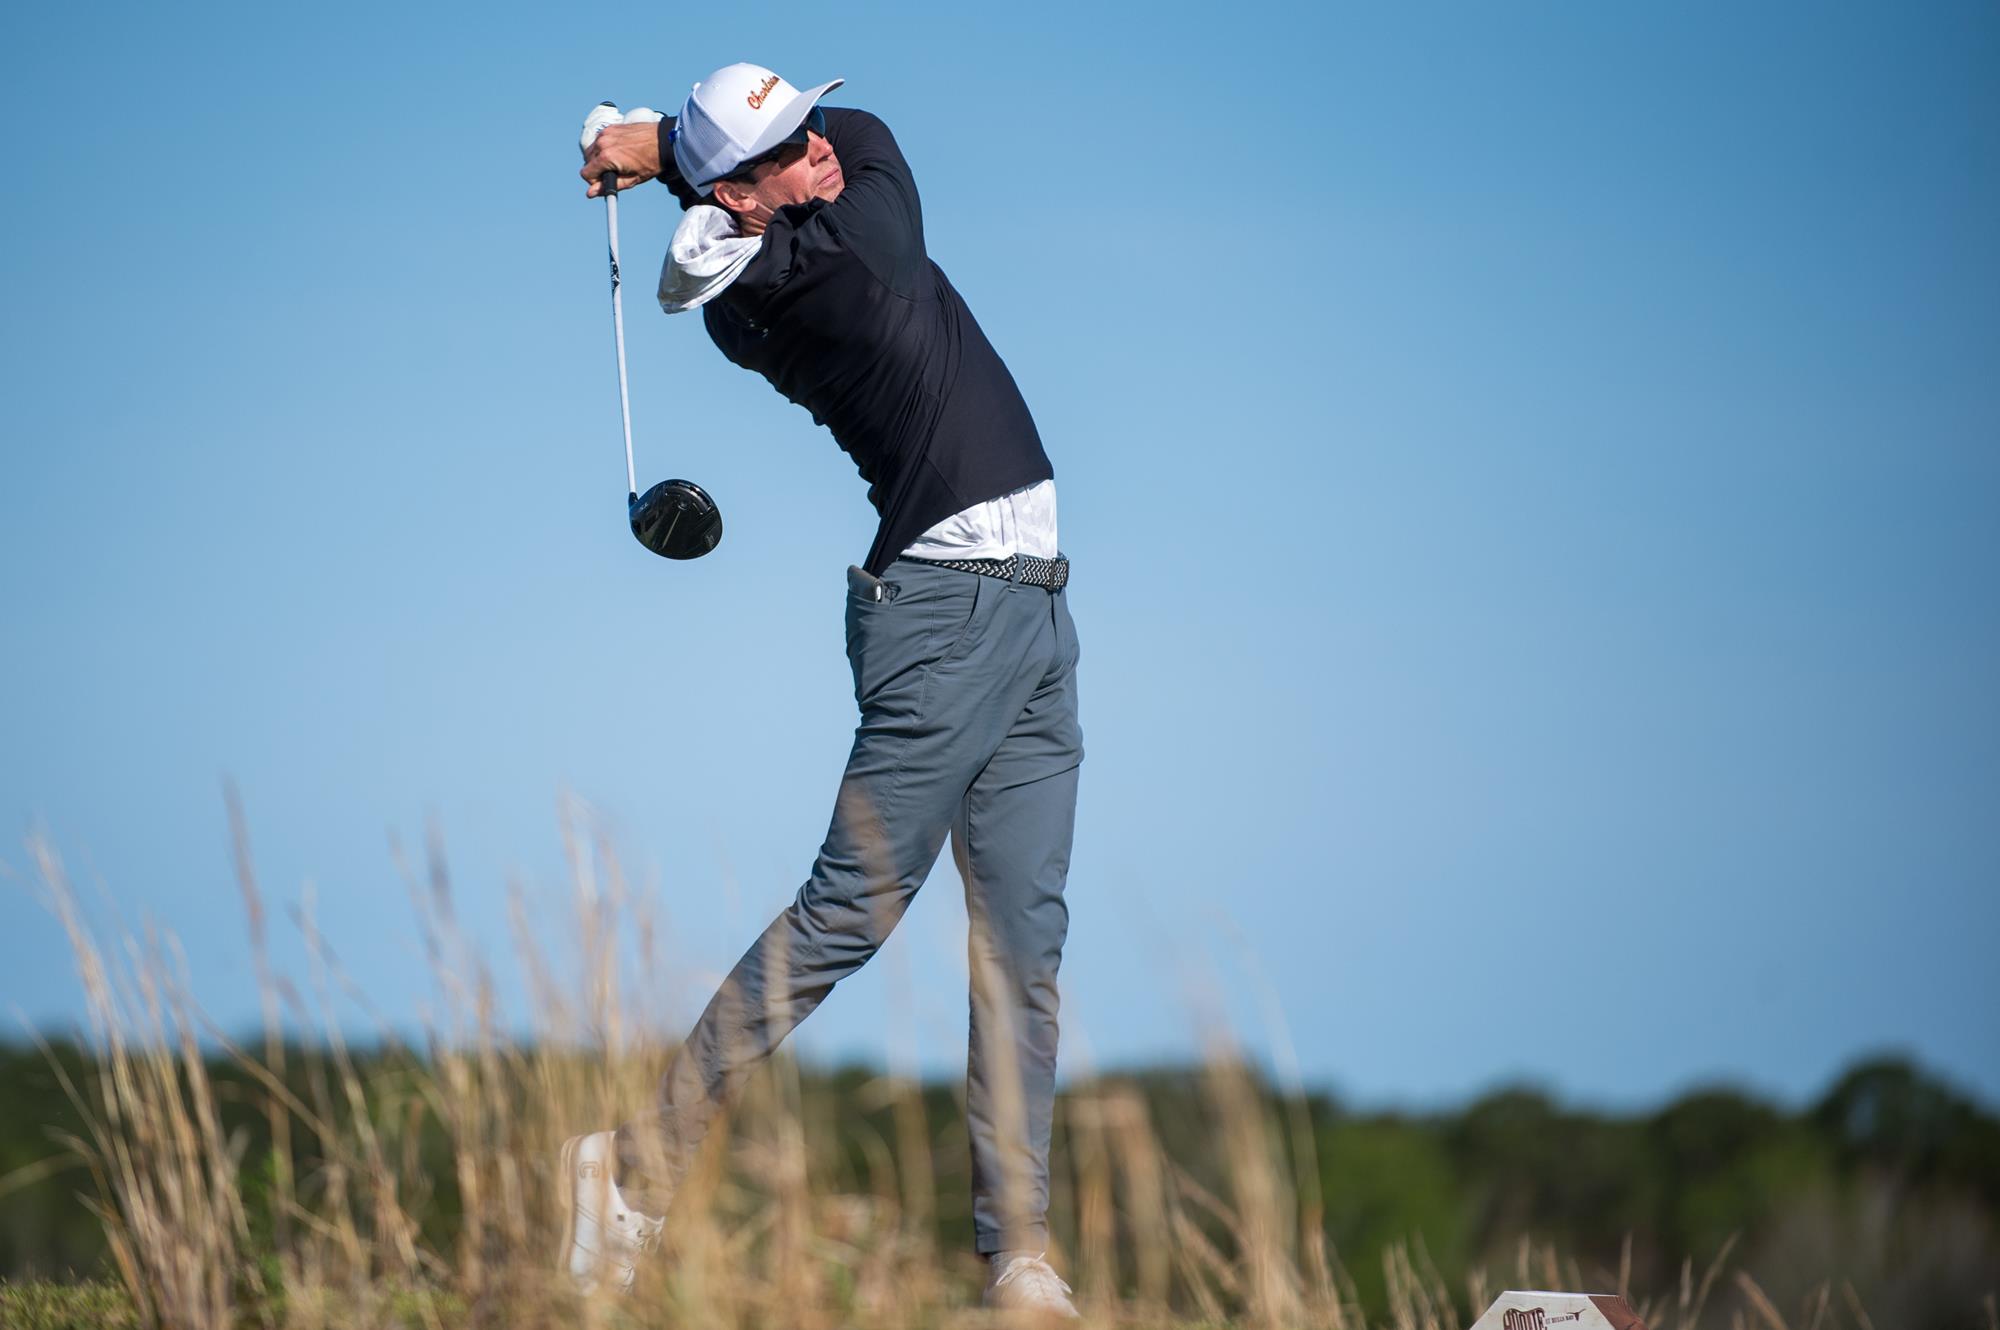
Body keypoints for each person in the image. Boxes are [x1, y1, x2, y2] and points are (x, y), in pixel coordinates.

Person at [559, 64, 1084, 1317]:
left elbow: (818, 142)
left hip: (1032, 614)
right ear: (744, 200)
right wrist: (655, 153)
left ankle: (1018, 1253)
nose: (822, 153)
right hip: (947, 618)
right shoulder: (850, 257)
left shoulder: (783, 240)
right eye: (788, 154)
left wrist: (662, 154)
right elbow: (874, 130)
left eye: (805, 130)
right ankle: (631, 1171)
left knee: (1024, 941)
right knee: (846, 915)